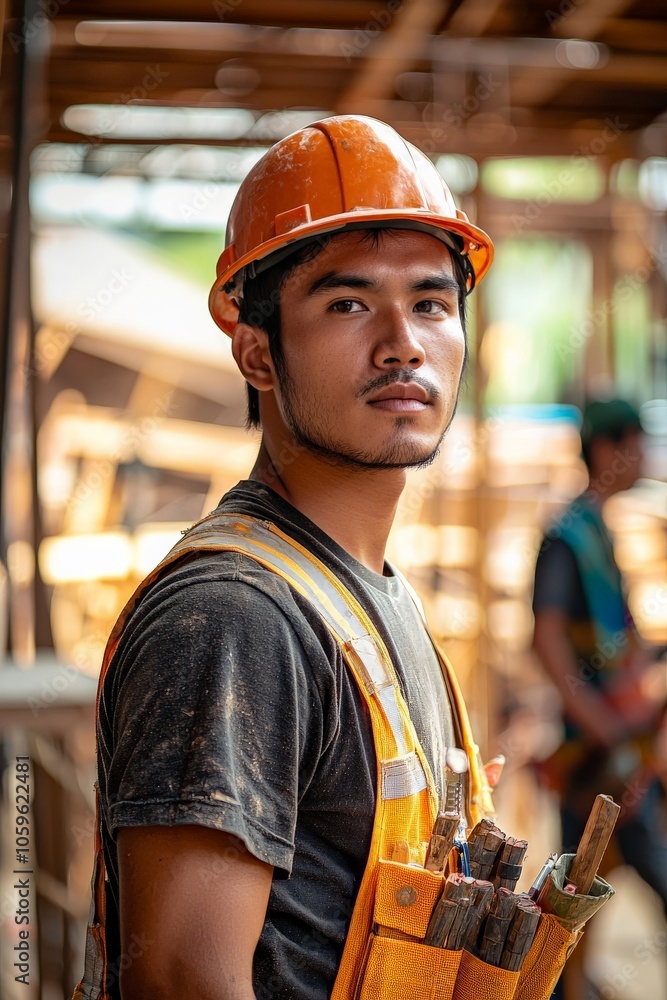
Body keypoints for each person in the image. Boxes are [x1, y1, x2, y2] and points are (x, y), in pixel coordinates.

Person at [73, 116, 578, 1000]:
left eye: (429, 302)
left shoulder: (370, 603)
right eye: (347, 303)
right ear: (255, 351)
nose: (402, 342)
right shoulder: (236, 621)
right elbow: (185, 984)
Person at [532, 399, 667, 995]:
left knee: (576, 901)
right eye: (636, 445)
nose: (644, 458)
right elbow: (547, 642)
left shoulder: (597, 534)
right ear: (609, 451)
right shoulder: (567, 539)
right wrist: (605, 729)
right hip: (598, 758)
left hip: (618, 748)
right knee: (579, 896)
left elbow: (622, 648)